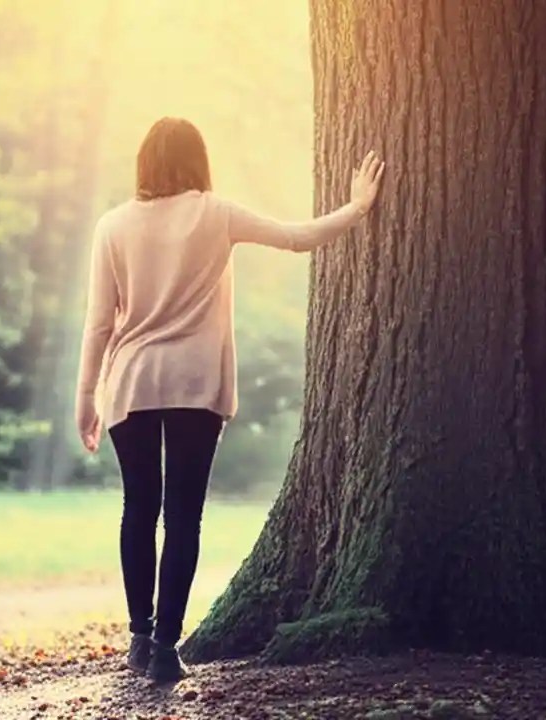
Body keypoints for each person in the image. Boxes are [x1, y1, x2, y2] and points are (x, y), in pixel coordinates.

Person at [74, 117, 386, 683]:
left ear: (144, 163)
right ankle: (167, 647)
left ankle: (139, 638)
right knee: (184, 516)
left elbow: (99, 323)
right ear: (199, 160)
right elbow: (297, 237)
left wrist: (85, 399)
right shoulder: (215, 213)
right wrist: (358, 208)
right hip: (195, 384)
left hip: (132, 383)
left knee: (138, 508)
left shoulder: (112, 226)